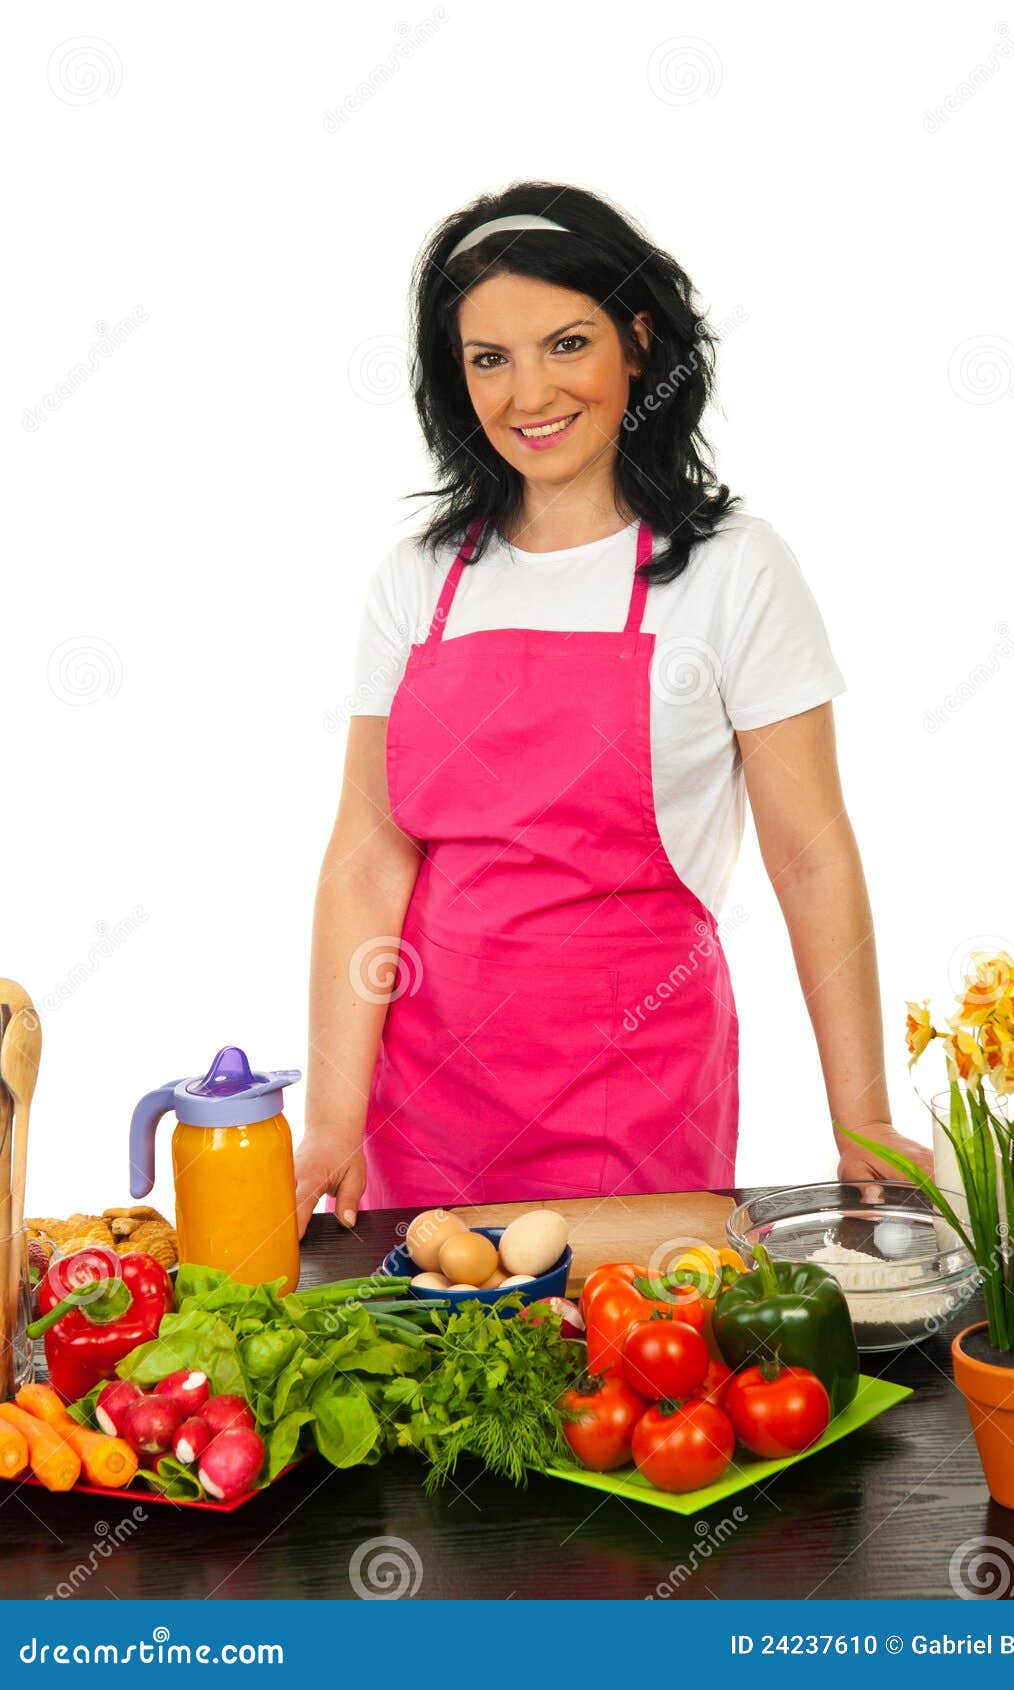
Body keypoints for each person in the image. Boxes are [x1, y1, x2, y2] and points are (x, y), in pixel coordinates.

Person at [295, 182, 933, 1231]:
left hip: (636, 1098)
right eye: (488, 358)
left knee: (632, 1334)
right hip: (426, 1111)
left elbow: (809, 855)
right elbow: (368, 860)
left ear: (638, 343)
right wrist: (330, 1118)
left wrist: (859, 1112)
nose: (528, 392)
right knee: (432, 1332)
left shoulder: (733, 571)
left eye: (566, 343)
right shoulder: (419, 578)